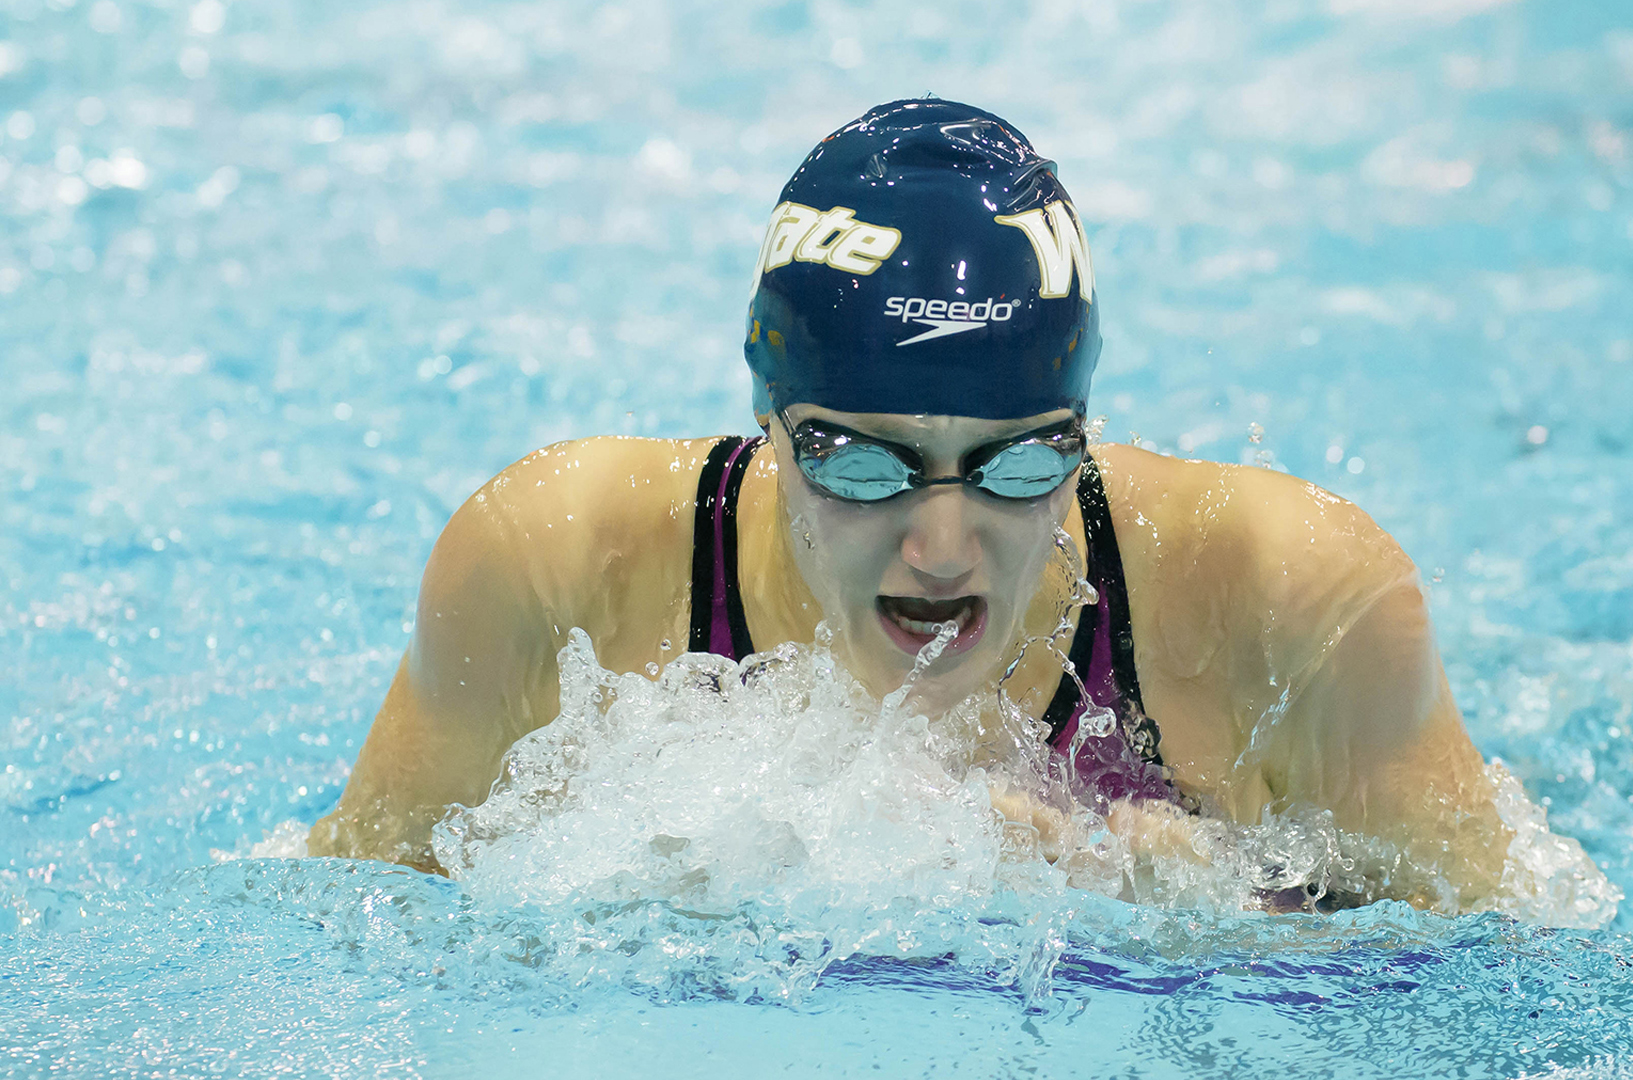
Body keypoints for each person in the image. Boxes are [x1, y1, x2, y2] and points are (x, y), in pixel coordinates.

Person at [308, 98, 1529, 911]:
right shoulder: (552, 568)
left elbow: (1523, 981)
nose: (943, 548)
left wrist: (1222, 929)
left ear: (1081, 431)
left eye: (1016, 466)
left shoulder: (1295, 605)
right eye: (864, 465)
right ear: (771, 423)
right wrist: (655, 894)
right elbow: (347, 934)